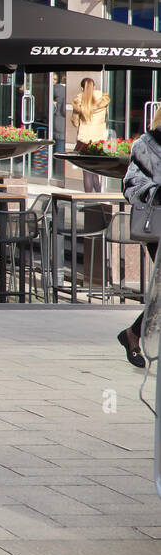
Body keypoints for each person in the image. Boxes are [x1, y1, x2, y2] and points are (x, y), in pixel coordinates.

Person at [118, 109, 161, 368]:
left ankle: (133, 333)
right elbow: (132, 185)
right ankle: (134, 333)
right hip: (157, 227)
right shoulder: (144, 146)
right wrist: (156, 192)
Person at [72, 77, 111, 192]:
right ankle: (98, 198)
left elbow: (75, 123)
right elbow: (106, 117)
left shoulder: (78, 101)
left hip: (84, 140)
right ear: (94, 87)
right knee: (95, 171)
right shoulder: (103, 99)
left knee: (87, 171)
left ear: (81, 88)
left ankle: (88, 200)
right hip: (99, 140)